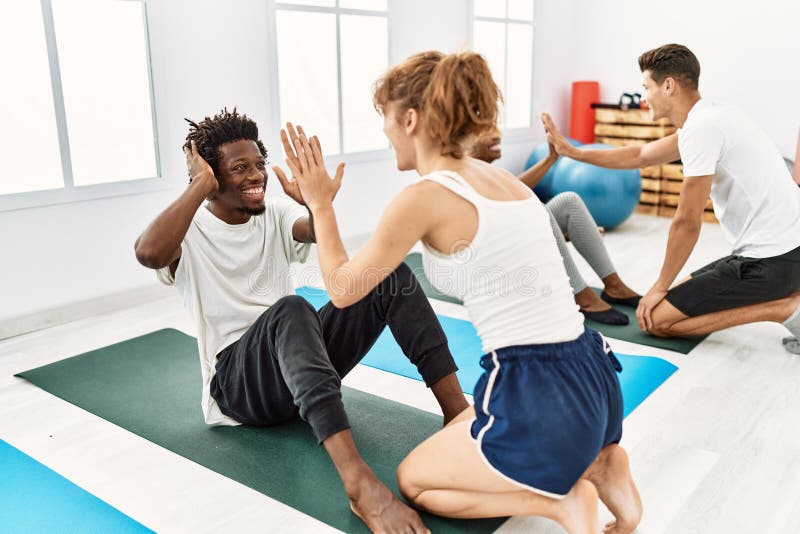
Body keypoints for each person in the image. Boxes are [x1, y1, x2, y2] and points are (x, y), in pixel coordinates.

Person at [276, 51, 641, 534]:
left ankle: (562, 502)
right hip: (596, 378)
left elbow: (343, 291)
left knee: (415, 481)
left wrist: (320, 205)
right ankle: (604, 464)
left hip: (537, 395)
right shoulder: (506, 182)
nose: (384, 131)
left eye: (384, 117)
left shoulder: (425, 196)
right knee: (459, 432)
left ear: (409, 119)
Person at [133, 108, 468, 533]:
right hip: (240, 387)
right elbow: (150, 253)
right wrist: (198, 185)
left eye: (258, 164)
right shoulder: (188, 229)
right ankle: (359, 486)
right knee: (292, 308)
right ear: (211, 178)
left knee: (387, 274)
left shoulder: (271, 215)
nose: (256, 175)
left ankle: (458, 416)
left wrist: (317, 201)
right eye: (239, 168)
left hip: (296, 363)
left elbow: (317, 235)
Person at [543, 44, 800, 354]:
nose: (642, 97)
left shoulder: (702, 128)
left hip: (771, 261)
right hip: (782, 252)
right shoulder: (713, 116)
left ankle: (784, 308)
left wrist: (659, 286)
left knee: (658, 321)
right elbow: (640, 155)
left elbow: (687, 221)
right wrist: (574, 152)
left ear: (668, 86)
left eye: (646, 87)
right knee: (661, 306)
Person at [470, 128, 641, 325]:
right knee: (538, 210)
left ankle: (614, 286)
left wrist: (551, 159)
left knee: (569, 201)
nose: (498, 135)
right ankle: (580, 294)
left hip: (506, 243)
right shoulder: (461, 173)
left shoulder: (489, 172)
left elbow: (511, 189)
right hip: (486, 267)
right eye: (487, 130)